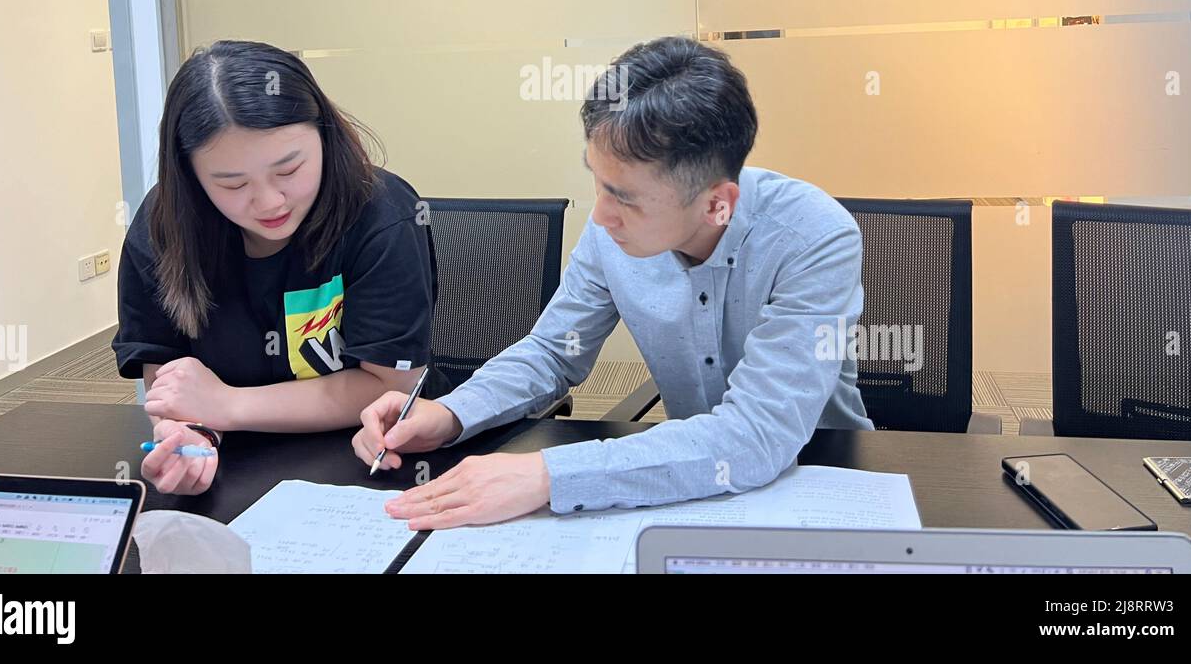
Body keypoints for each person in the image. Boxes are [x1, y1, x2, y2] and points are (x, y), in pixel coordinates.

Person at [353, 35, 873, 528]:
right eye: (598, 184)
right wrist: (448, 413)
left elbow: (757, 436)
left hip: (819, 480)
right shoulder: (614, 232)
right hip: (684, 483)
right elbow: (553, 352)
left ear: (718, 203)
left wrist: (548, 474)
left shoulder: (814, 237)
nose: (600, 216)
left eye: (624, 197)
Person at [113, 39, 446, 495]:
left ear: (325, 136)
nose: (269, 202)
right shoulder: (165, 225)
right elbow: (167, 369)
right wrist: (188, 430)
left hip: (370, 456)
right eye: (232, 184)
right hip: (234, 464)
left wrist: (226, 407)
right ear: (189, 176)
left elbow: (389, 386)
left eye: (289, 170)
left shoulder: (380, 214)